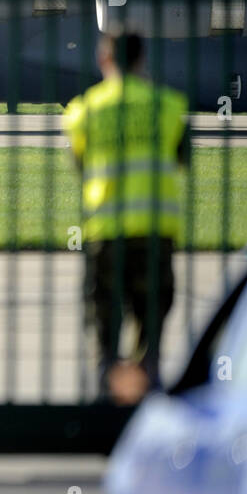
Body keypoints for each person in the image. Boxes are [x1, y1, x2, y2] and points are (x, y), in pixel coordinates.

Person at [62, 27, 188, 403]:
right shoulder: (167, 105)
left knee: (103, 317)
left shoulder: (86, 110)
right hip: (154, 230)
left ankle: (105, 388)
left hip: (106, 231)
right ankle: (146, 385)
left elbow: (79, 163)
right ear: (141, 59)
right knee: (151, 315)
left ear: (104, 59)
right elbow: (182, 159)